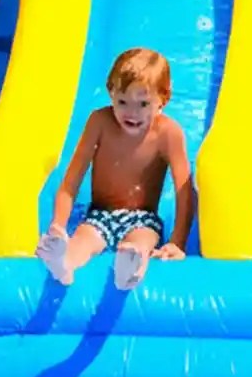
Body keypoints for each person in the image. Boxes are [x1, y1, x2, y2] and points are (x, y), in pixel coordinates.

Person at [35, 47, 195, 290]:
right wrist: (57, 227)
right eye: (122, 102)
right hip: (101, 214)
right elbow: (70, 183)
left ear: (164, 98)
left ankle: (129, 271)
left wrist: (177, 242)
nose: (131, 113)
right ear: (110, 93)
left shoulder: (169, 133)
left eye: (143, 103)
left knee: (141, 242)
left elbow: (184, 191)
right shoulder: (99, 122)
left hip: (143, 218)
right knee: (82, 241)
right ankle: (63, 263)